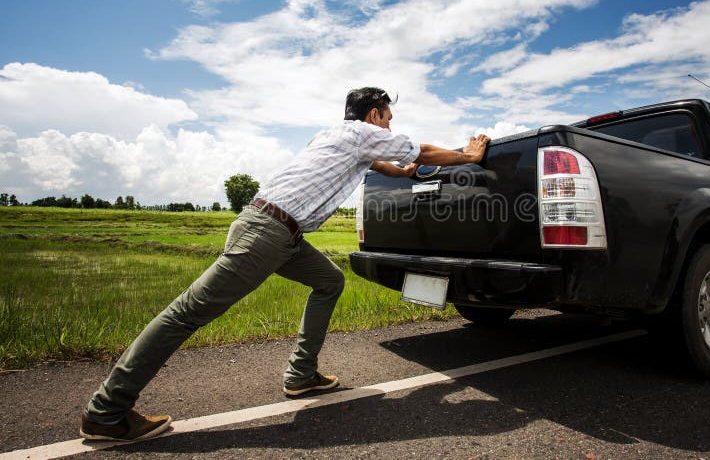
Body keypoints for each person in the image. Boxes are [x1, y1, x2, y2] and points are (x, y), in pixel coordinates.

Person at [79, 87, 491, 442]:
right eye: (388, 119)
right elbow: (422, 150)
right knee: (185, 314)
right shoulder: (363, 133)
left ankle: (302, 375)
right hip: (267, 233)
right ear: (373, 115)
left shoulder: (336, 137)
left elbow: (386, 165)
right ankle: (107, 412)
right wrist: (468, 155)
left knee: (329, 280)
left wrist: (404, 173)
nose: (388, 127)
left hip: (282, 235)